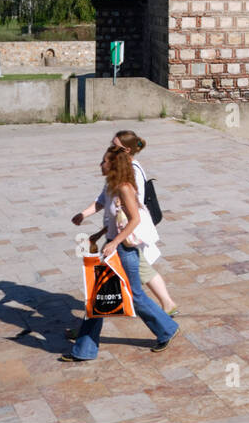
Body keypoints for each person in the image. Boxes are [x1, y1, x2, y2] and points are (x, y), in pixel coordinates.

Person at [61, 144, 178, 361]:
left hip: (125, 251)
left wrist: (114, 242)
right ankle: (84, 350)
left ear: (113, 164)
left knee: (133, 296)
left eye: (104, 161)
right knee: (100, 297)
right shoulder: (112, 185)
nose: (100, 164)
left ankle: (166, 328)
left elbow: (134, 220)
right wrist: (94, 228)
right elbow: (115, 217)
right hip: (113, 246)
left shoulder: (125, 187)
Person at [112, 130, 179, 317]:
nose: (110, 149)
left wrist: (120, 203)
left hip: (130, 230)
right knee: (141, 270)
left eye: (114, 145)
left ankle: (165, 310)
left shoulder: (132, 169)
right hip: (125, 231)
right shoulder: (125, 168)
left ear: (126, 150)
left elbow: (137, 198)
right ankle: (167, 303)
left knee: (130, 275)